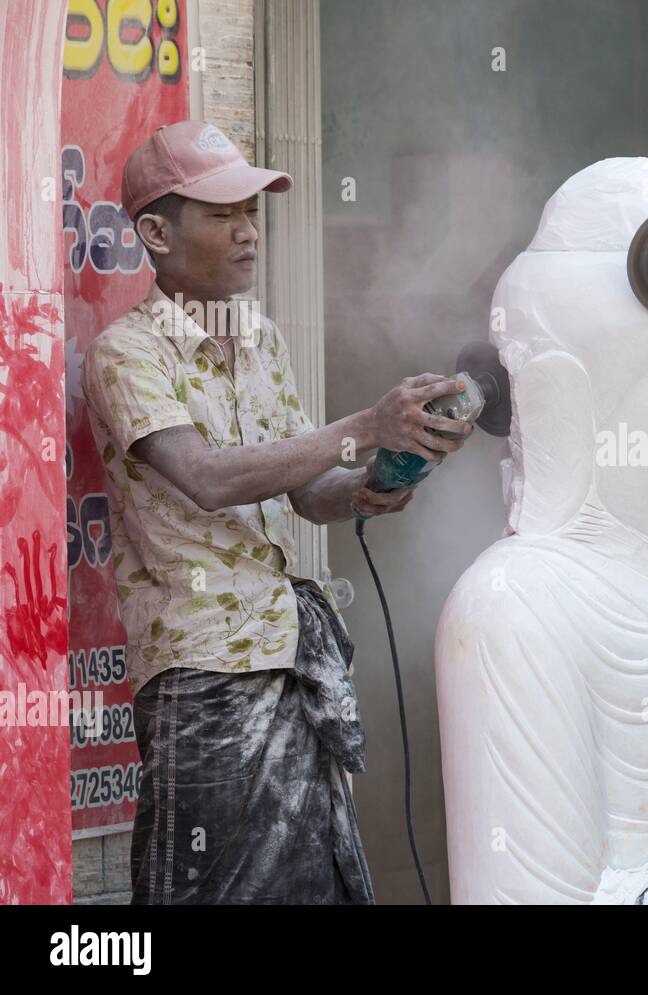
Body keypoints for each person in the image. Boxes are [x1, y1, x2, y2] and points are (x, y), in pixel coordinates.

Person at [82, 120, 474, 904]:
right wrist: (361, 426)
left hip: (286, 656)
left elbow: (303, 489)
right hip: (201, 675)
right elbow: (205, 477)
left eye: (253, 212)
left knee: (306, 887)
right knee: (208, 891)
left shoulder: (260, 340)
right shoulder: (125, 353)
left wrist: (378, 480)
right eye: (223, 213)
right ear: (156, 233)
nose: (248, 231)